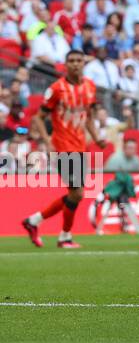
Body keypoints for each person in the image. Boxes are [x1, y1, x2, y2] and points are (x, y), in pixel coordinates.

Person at [20, 48, 101, 249]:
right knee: (77, 193)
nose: (75, 64)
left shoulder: (90, 87)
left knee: (76, 193)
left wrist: (97, 138)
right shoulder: (56, 89)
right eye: (71, 60)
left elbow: (88, 117)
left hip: (80, 145)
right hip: (63, 146)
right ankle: (64, 237)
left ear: (83, 63)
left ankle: (34, 221)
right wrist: (47, 141)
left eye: (78, 60)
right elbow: (38, 117)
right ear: (65, 65)